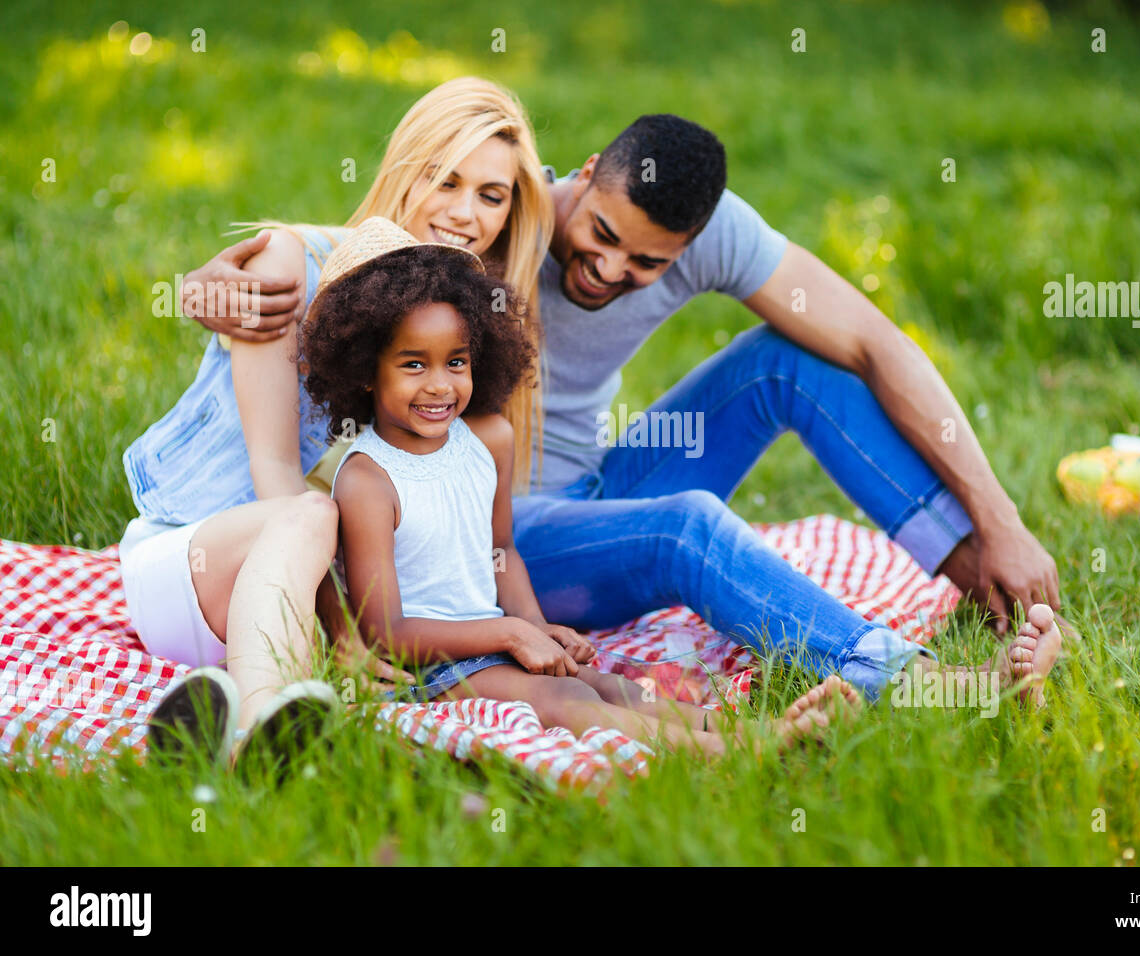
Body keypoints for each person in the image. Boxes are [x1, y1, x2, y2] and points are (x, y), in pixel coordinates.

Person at [184, 108, 1066, 705]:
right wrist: (229, 276)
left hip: (597, 490)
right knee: (686, 526)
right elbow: (368, 245)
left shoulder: (717, 233)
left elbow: (878, 343)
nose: (609, 269)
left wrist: (1002, 524)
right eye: (601, 235)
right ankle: (911, 682)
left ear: (692, 242)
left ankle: (985, 585)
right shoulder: (504, 215)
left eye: (646, 263)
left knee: (795, 365)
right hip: (500, 533)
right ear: (589, 174)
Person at [117, 77, 554, 763]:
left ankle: (255, 733)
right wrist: (343, 629)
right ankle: (256, 725)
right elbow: (275, 475)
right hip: (201, 568)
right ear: (405, 171)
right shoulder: (292, 264)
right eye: (444, 180)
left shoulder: (452, 323)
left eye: (492, 195)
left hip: (304, 615)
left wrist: (522, 633)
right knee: (314, 515)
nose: (466, 212)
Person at [303, 216, 857, 753]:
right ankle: (733, 756)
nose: (441, 385)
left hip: (496, 639)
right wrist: (508, 637)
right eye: (413, 365)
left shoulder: (489, 438)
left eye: (456, 361)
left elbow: (501, 552)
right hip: (427, 667)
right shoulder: (367, 480)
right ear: (362, 370)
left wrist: (537, 626)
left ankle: (748, 732)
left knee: (606, 684)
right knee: (562, 697)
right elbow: (385, 632)